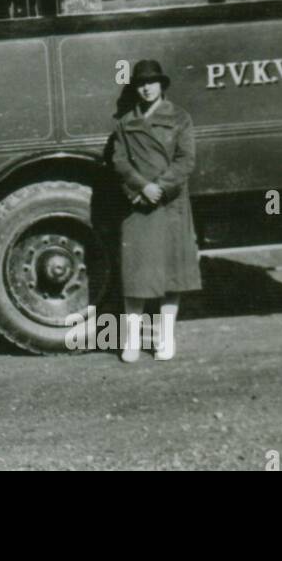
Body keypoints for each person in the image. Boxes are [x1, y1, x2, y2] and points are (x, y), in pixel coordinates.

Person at [109, 59, 201, 363]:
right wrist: (140, 188)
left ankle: (166, 338)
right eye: (141, 83)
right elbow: (119, 162)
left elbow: (186, 160)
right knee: (136, 276)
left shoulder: (180, 118)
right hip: (138, 204)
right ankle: (132, 340)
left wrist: (159, 187)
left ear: (162, 84)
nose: (146, 88)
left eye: (152, 82)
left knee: (171, 276)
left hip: (170, 203)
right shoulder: (125, 123)